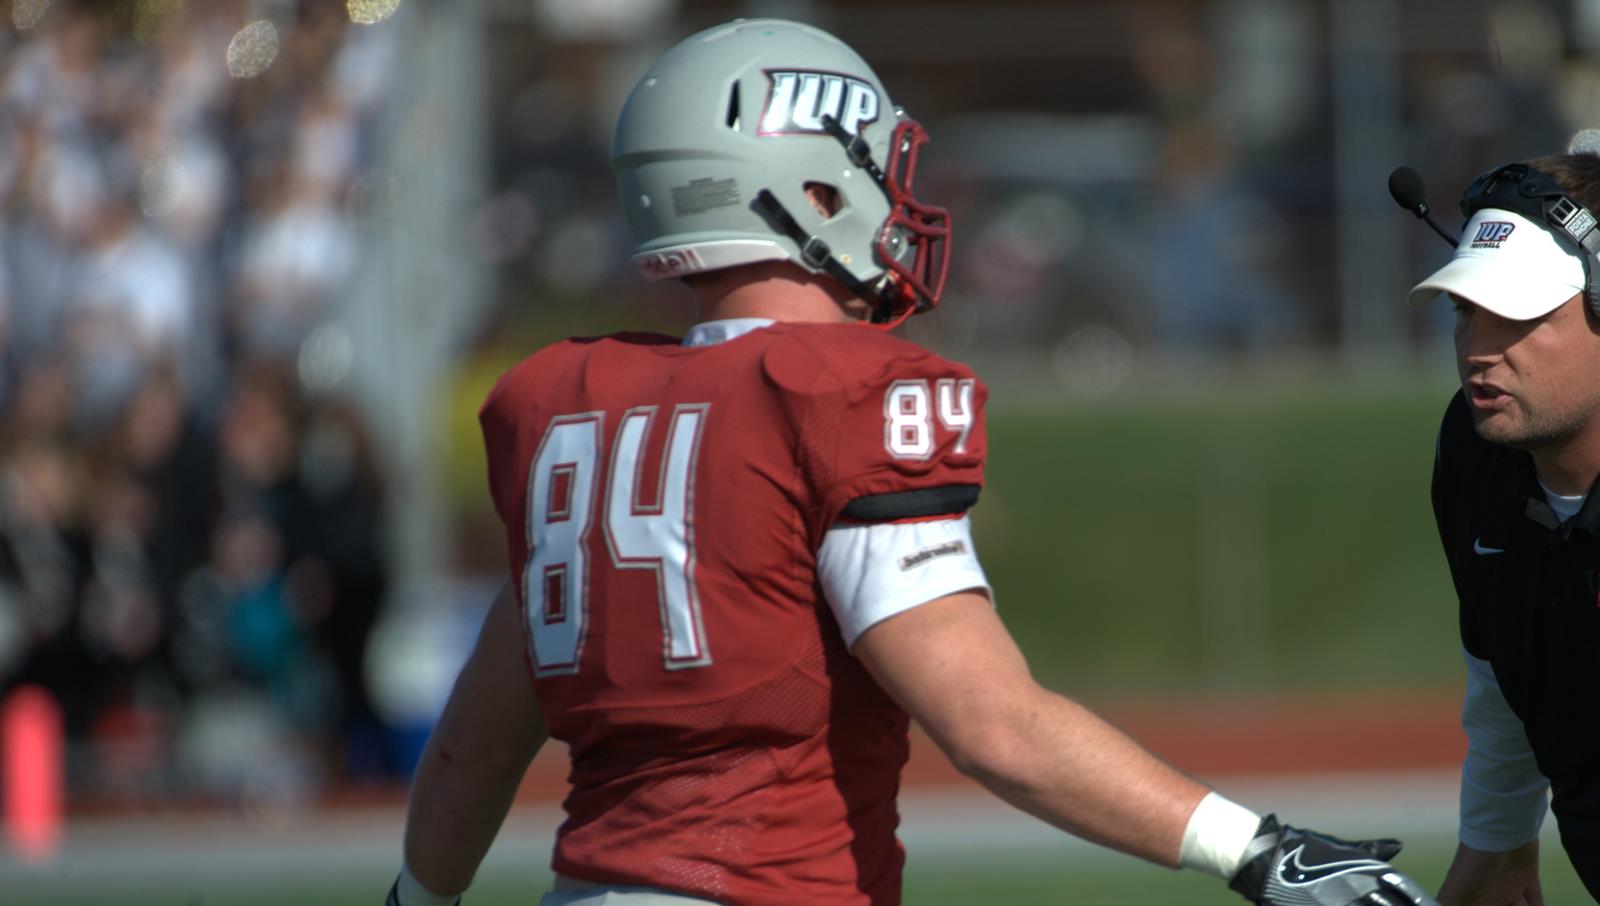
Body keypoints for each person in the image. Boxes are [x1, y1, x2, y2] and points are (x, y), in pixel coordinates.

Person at [388, 19, 1434, 906]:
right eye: (880, 174)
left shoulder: (572, 410)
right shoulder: (839, 391)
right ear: (812, 190)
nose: (899, 205)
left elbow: (472, 748)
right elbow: (992, 726)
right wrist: (1258, 853)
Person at [1409, 149, 1600, 903]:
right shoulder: (1476, 452)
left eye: (1518, 315)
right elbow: (1502, 667)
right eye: (1466, 311)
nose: (1480, 351)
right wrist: (1499, 845)